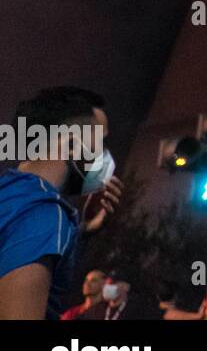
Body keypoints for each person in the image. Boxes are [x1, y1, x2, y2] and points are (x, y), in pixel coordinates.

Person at [0, 86, 123, 320]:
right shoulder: (45, 214)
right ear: (71, 145)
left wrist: (81, 230)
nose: (105, 156)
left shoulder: (11, 195)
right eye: (100, 142)